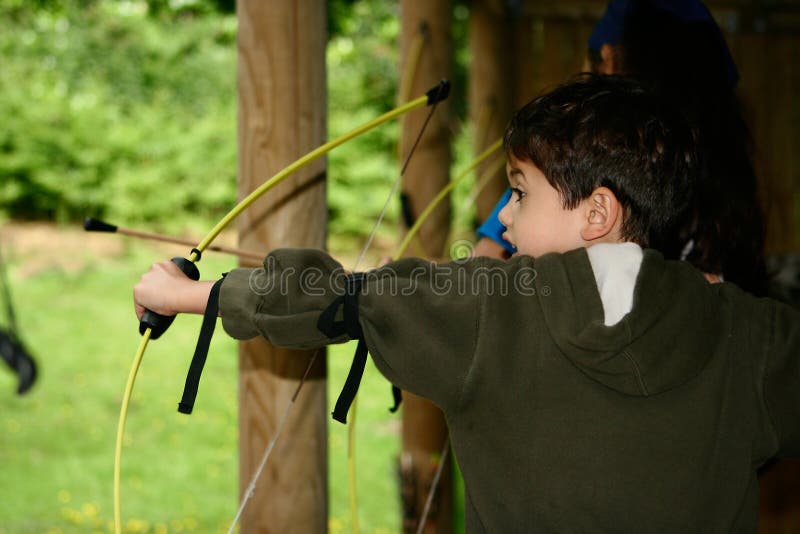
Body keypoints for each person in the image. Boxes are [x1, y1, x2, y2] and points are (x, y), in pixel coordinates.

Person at [134, 75, 800, 532]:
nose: (503, 217)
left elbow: (336, 299)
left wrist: (186, 293)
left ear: (597, 211)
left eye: (520, 192)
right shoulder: (750, 332)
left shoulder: (490, 311)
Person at [474, 0, 769, 296]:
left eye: (521, 195)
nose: (507, 213)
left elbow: (483, 266)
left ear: (608, 58)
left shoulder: (555, 177)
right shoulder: (723, 185)